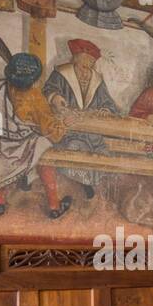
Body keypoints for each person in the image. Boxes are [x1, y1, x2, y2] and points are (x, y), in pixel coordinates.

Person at [0, 53, 73, 220]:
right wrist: (65, 124)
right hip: (17, 145)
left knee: (2, 156)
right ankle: (54, 205)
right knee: (43, 151)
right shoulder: (34, 97)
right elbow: (52, 133)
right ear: (35, 79)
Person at [43, 38, 119, 199]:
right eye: (83, 66)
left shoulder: (97, 80)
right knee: (74, 150)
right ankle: (80, 184)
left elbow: (109, 103)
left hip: (93, 135)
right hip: (68, 131)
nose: (86, 72)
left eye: (90, 67)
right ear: (75, 61)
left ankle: (91, 185)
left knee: (102, 154)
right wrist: (55, 97)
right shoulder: (61, 75)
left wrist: (106, 109)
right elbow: (48, 91)